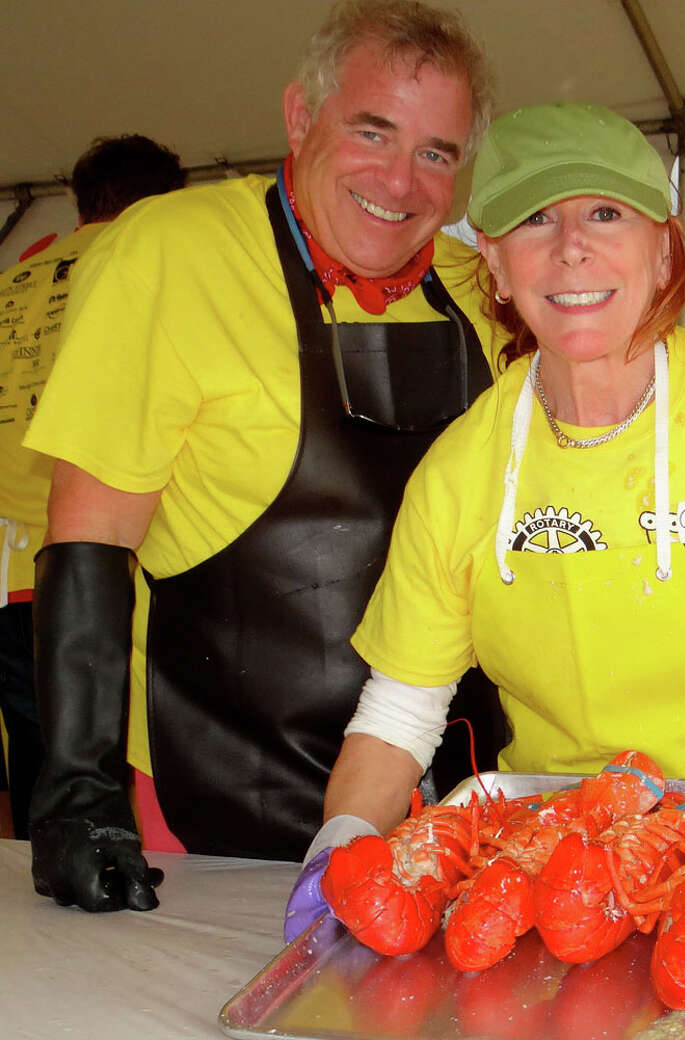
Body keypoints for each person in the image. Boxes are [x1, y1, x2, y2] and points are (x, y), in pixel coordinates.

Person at [284, 102, 685, 938]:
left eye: (606, 213)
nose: (571, 246)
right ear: (494, 263)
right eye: (535, 219)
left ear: (663, 250)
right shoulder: (458, 473)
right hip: (551, 860)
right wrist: (343, 839)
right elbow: (401, 712)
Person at [22, 0, 504, 913]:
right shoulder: (173, 251)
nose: (399, 181)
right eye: (372, 131)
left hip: (446, 806)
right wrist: (79, 790)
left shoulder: (476, 287)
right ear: (299, 116)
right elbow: (92, 535)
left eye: (437, 154)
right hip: (217, 795)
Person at [0, 135, 185, 840]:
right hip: (105, 571)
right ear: (163, 206)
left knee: (41, 765)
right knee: (122, 761)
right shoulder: (150, 273)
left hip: (11, 573)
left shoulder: (13, 281)